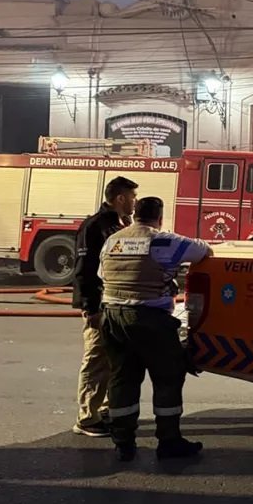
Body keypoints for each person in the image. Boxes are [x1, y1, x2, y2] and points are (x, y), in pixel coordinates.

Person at [98, 196, 213, 462]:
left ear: (135, 215)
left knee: (122, 378)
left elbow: (101, 275)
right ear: (159, 217)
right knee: (168, 377)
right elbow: (204, 250)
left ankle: (123, 443)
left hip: (111, 317)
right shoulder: (162, 240)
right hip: (148, 318)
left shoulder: (113, 240)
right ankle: (169, 441)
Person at [71, 176, 138, 437]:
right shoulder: (94, 226)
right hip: (99, 305)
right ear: (120, 198)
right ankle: (87, 418)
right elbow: (84, 271)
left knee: (113, 360)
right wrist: (90, 307)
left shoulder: (119, 225)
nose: (134, 202)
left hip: (116, 304)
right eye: (131, 197)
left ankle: (106, 410)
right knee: (96, 360)